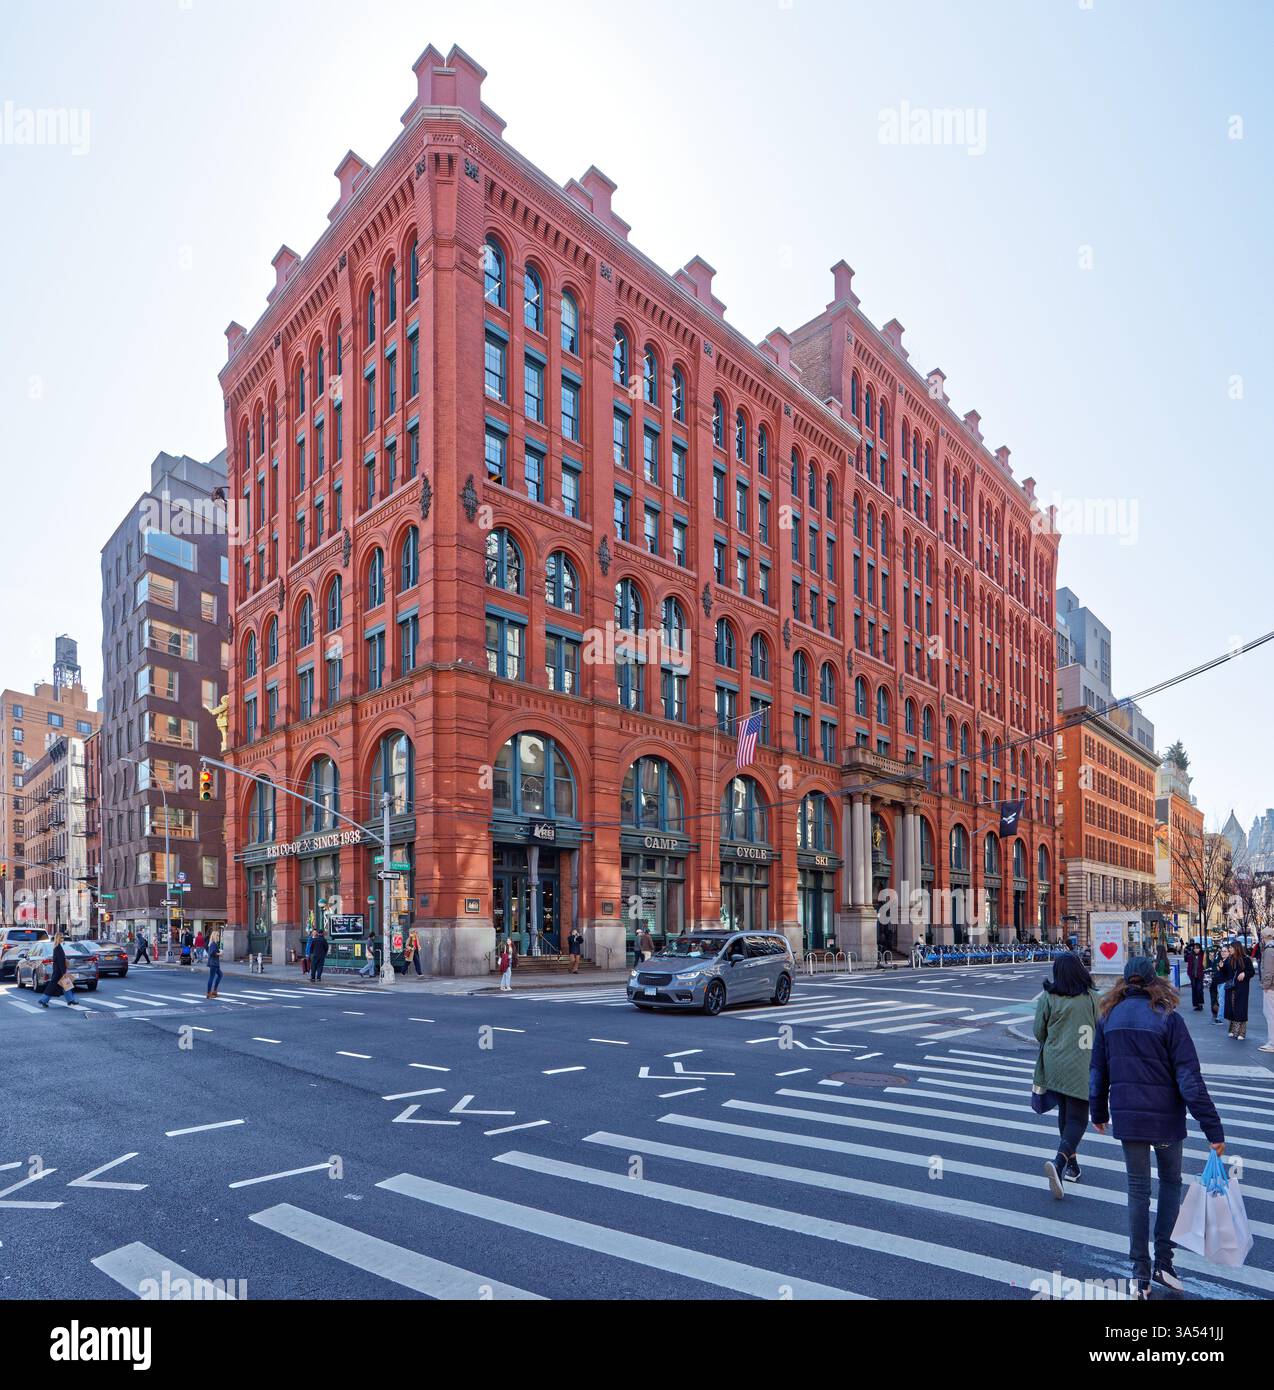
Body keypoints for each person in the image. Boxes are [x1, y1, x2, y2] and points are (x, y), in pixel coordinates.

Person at [1090, 956, 1224, 1300]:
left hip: (1129, 1120)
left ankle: (1140, 1275)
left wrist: (1098, 1111)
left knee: (1137, 1192)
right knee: (1169, 1185)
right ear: (1154, 981)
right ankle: (1165, 1260)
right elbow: (1189, 1080)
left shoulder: (1109, 1017)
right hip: (1166, 1122)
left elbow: (1098, 1070)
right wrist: (1213, 1129)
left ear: (1124, 982)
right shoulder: (1169, 1019)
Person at [1033, 952, 1101, 1196]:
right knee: (1078, 1119)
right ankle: (1060, 1163)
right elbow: (1101, 1029)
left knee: (1064, 1112)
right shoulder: (1092, 998)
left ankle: (1072, 1166)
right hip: (1082, 1063)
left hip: (1054, 1063)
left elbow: (1038, 1031)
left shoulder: (1048, 997)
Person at [1215, 941, 1254, 1041]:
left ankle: (1241, 1032)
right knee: (1232, 1008)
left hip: (1242, 988)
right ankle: (1232, 1030)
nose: (1230, 949)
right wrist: (1222, 967)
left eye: (1231, 948)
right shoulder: (1230, 959)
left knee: (1241, 1009)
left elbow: (1251, 972)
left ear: (1236, 948)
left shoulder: (1245, 959)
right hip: (1231, 987)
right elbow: (1227, 973)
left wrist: (1244, 974)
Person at [36, 932, 81, 1009]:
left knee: (67, 986)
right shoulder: (58, 948)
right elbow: (60, 962)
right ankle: (43, 1000)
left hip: (58, 971)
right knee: (52, 987)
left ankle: (70, 1000)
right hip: (59, 972)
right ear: (59, 938)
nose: (63, 939)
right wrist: (64, 972)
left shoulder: (57, 947)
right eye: (62, 937)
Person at [1260, 927, 1274, 1053]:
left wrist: (1266, 985)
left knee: (1269, 1014)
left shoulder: (1269, 950)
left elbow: (1269, 970)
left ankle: (1272, 1042)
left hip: (1271, 987)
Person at [1184, 941, 1205, 1012]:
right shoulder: (1190, 956)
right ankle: (1196, 1005)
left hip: (1200, 975)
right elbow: (1189, 966)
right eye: (1195, 948)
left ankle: (1200, 1003)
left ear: (1200, 949)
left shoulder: (1203, 956)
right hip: (1192, 975)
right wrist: (1189, 974)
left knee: (1199, 990)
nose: (1196, 949)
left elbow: (1205, 965)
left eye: (1197, 948)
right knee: (1194, 990)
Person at [205, 929, 223, 1000]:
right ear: (215, 936)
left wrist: (219, 953)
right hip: (213, 963)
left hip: (215, 963)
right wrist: (219, 953)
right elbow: (212, 953)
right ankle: (209, 993)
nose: (219, 936)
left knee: (220, 975)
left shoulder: (213, 944)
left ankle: (214, 991)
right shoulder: (213, 944)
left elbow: (213, 952)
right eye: (218, 935)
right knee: (211, 978)